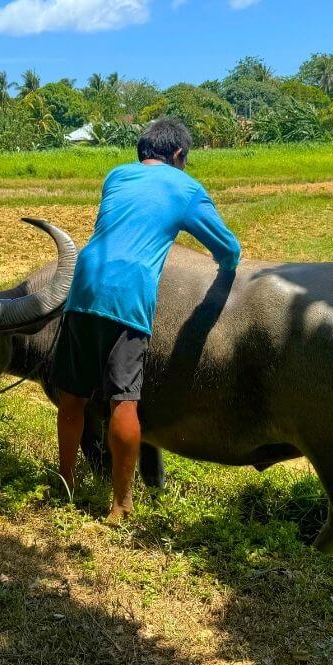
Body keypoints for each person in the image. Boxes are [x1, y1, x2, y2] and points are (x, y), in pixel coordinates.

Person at [52, 118, 242, 521]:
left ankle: (65, 484)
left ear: (142, 152)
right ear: (178, 156)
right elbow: (228, 248)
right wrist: (227, 266)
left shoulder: (117, 176)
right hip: (129, 293)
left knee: (73, 395)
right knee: (124, 398)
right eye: (185, 160)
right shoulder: (185, 188)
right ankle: (121, 503)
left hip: (84, 284)